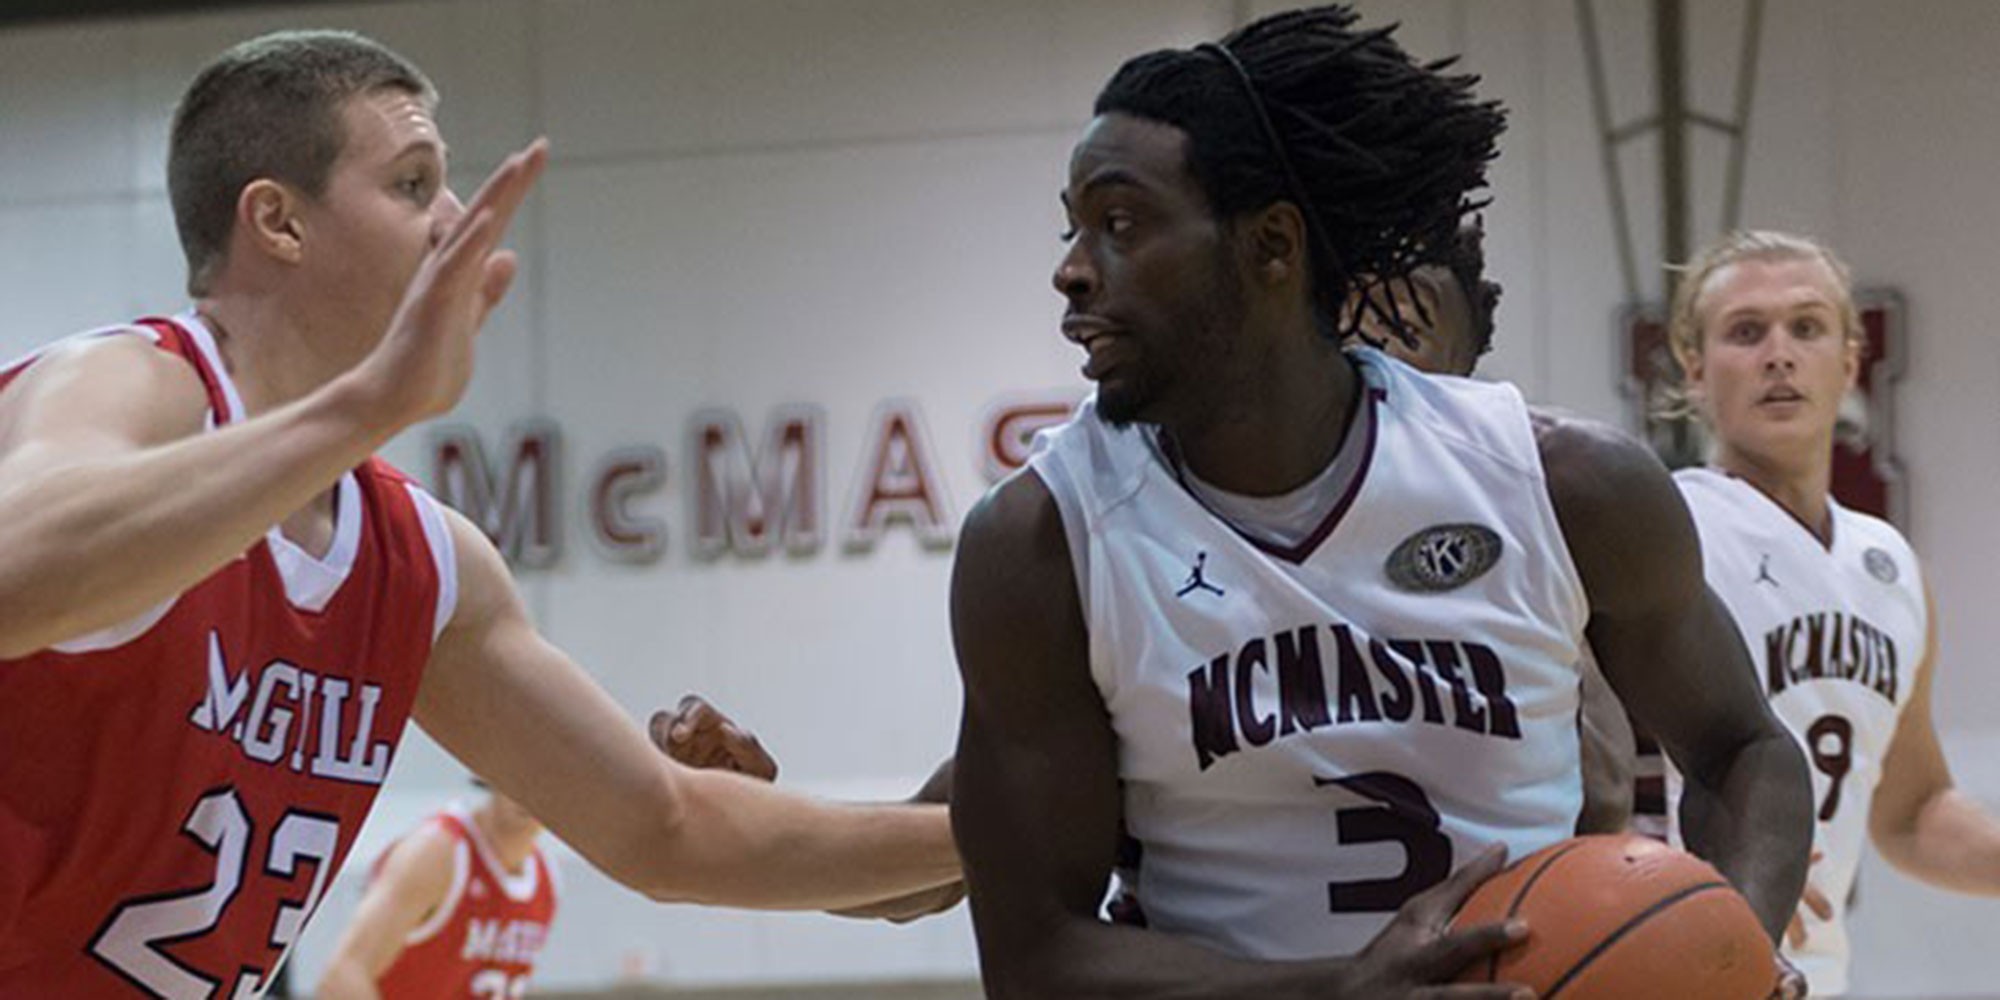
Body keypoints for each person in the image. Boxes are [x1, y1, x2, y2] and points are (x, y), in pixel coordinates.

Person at [0, 30, 957, 994]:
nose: (454, 220)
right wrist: (367, 404)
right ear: (279, 221)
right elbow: (15, 571)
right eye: (413, 184)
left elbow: (669, 828)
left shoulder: (423, 564)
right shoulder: (132, 383)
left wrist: (1013, 836)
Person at [946, 6, 1811, 997]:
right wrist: (1341, 989)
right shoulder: (1042, 543)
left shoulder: (1560, 484)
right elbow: (1034, 958)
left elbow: (1743, 748)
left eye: (1120, 224)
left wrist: (1729, 939)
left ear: (1270, 245)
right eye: (1072, 230)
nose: (1069, 270)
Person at [1662, 229, 2000, 997]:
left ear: (1850, 363)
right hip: (1663, 960)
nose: (1778, 354)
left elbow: (1911, 812)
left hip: (1814, 976)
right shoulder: (1662, 527)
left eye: (1806, 327)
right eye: (1746, 332)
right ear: (1693, 368)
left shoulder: (1891, 566)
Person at [1353, 220, 1638, 837]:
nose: (1374, 346)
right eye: (1351, 311)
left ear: (1463, 360)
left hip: (1507, 909)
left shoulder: (1531, 492)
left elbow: (1606, 793)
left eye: (1402, 322)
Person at [316, 786, 561, 999]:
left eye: (548, 775)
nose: (531, 787)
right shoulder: (439, 850)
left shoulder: (547, 876)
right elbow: (342, 977)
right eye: (519, 773)